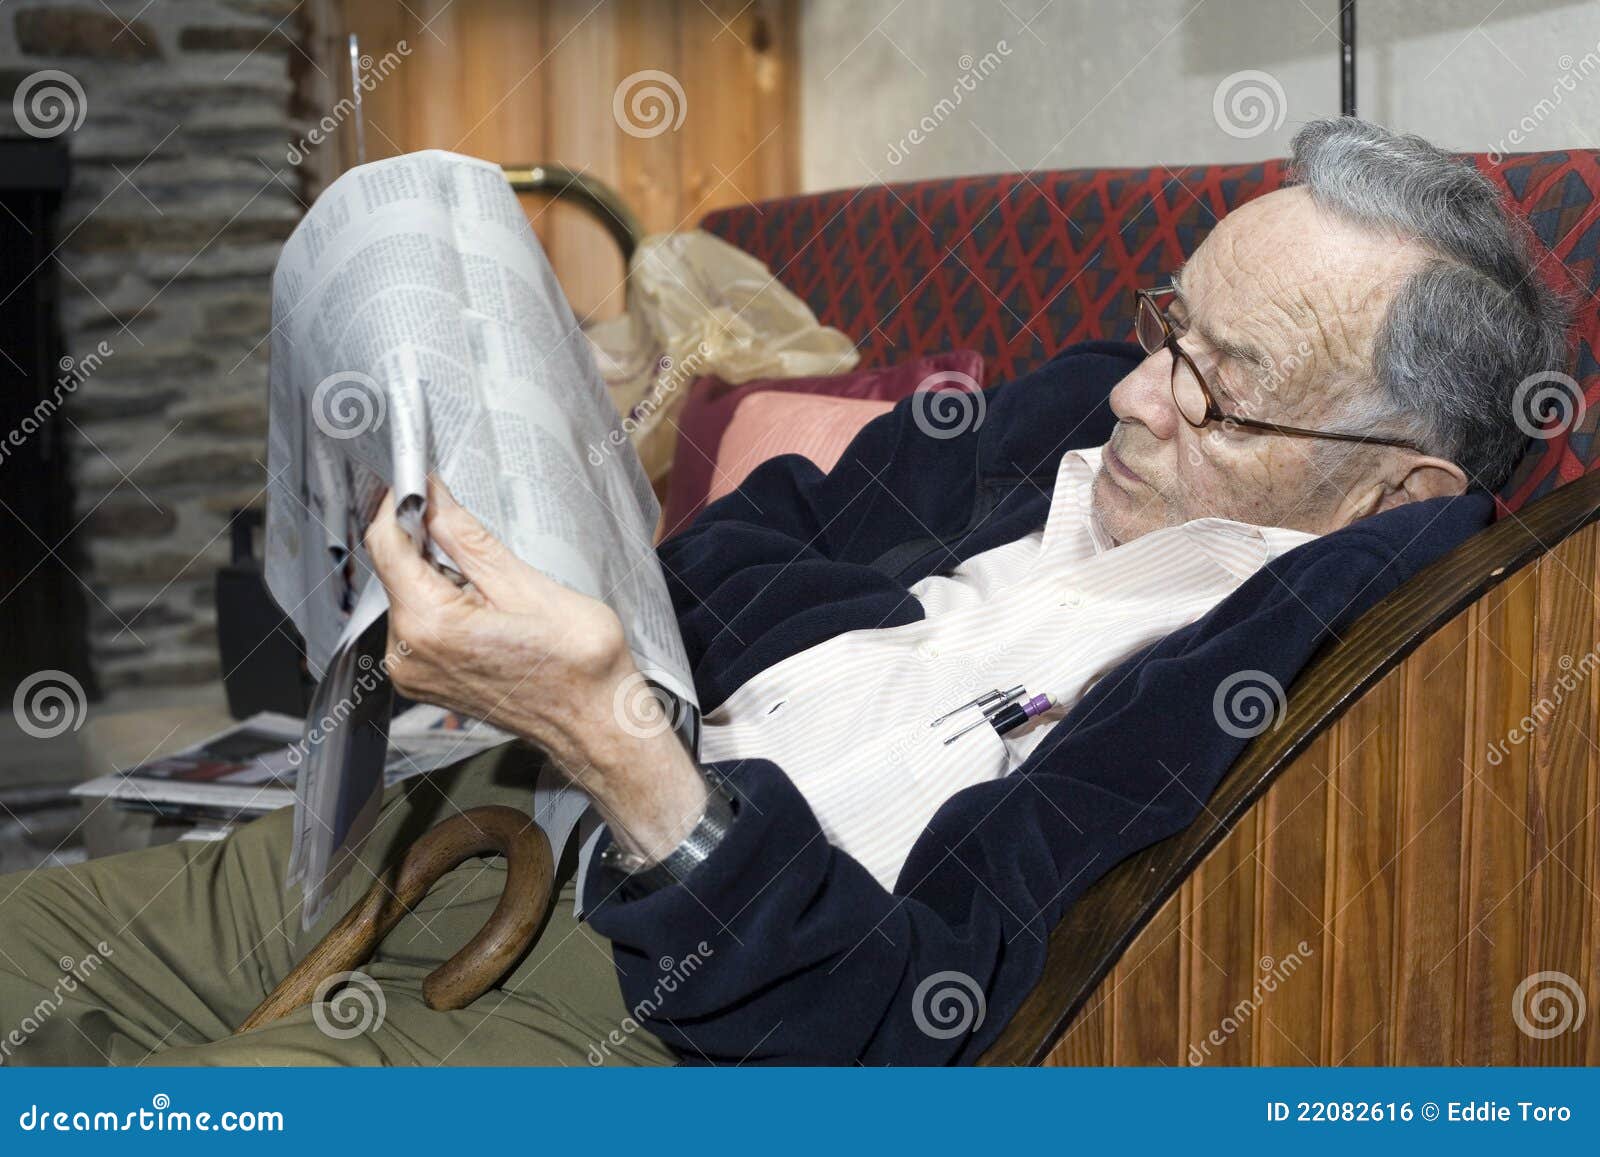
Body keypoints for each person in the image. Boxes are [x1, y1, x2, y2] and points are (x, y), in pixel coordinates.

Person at [0, 117, 1569, 1066]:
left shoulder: (1312, 669)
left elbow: (912, 1035)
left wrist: (632, 746)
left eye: (1222, 388)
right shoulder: (1071, 412)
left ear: (1397, 492)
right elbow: (755, 535)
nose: (1142, 399)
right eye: (1171, 325)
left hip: (666, 1012)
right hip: (495, 808)